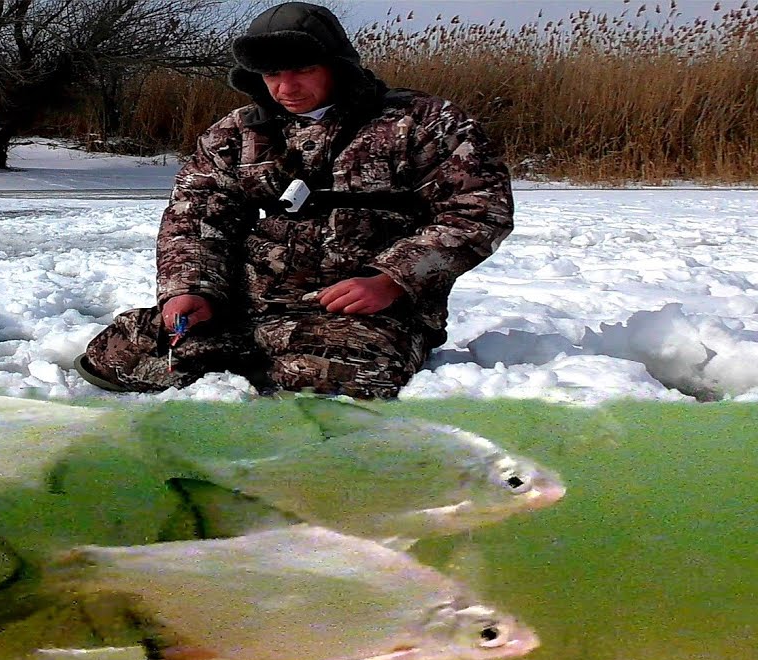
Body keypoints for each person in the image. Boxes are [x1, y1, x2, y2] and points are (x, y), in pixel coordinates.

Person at [75, 1, 514, 399]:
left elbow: (477, 211)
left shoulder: (422, 121)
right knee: (117, 356)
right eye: (271, 75)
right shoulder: (235, 133)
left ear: (336, 65)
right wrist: (190, 290)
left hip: (363, 312)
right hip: (247, 306)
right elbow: (194, 220)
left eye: (301, 69)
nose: (286, 87)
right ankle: (247, 362)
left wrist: (392, 280)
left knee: (325, 375)